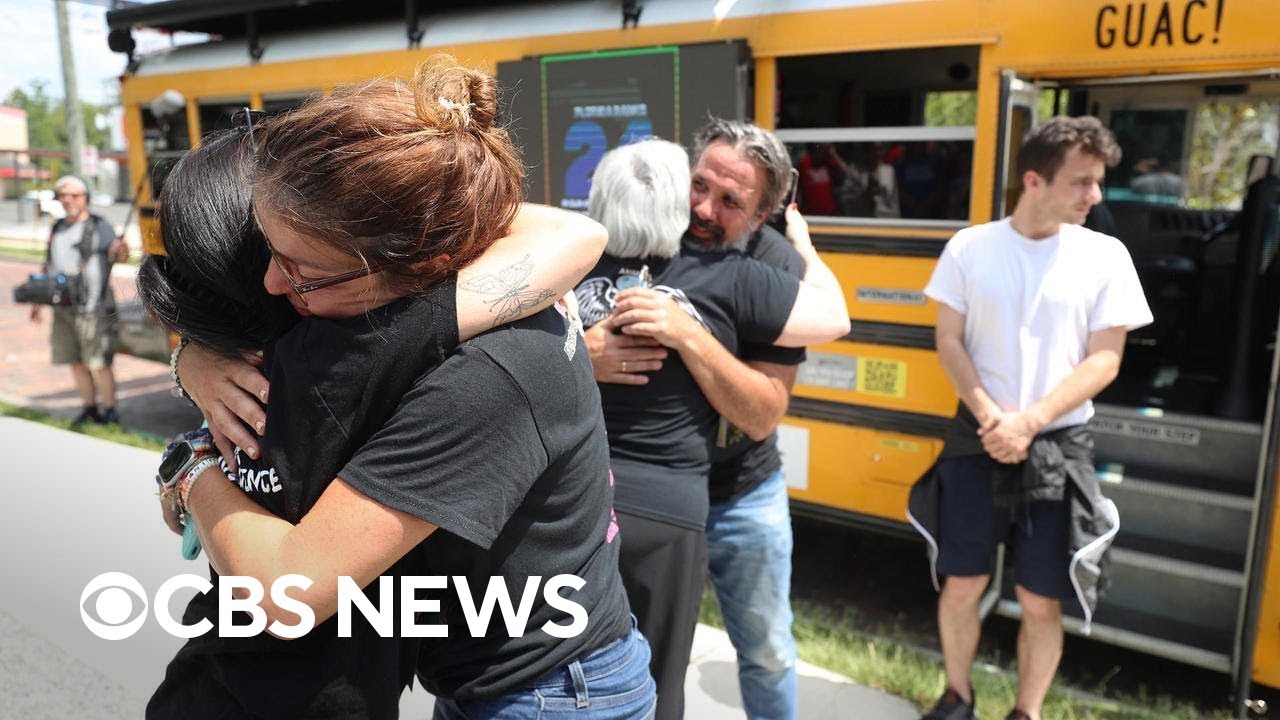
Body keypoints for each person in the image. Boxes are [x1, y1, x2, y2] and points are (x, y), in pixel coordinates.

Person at [144, 54, 653, 720]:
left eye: (302, 272)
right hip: (497, 676)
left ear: (422, 263)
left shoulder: (476, 371)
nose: (272, 284)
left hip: (550, 693)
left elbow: (286, 590)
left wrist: (191, 467)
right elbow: (566, 228)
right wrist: (194, 358)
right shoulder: (451, 275)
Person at [575, 138, 849, 719]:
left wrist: (687, 333)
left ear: (760, 216)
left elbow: (760, 416)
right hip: (622, 496)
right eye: (699, 186)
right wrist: (579, 349)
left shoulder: (766, 266)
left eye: (730, 200)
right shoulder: (628, 237)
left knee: (767, 652)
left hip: (742, 493)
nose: (703, 209)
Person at [908, 116, 1151, 720]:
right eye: (1083, 182)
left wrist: (1029, 421)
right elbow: (949, 340)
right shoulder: (970, 247)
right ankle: (958, 697)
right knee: (961, 583)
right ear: (1034, 180)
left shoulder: (1106, 255)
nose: (1096, 195)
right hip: (977, 434)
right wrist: (993, 417)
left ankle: (1027, 712)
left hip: (1058, 444)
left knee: (1041, 598)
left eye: (1097, 182)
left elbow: (1106, 357)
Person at [28, 175, 128, 425]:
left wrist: (121, 249)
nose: (67, 200)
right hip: (62, 308)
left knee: (99, 362)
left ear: (86, 198)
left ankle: (110, 411)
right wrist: (37, 302)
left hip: (94, 308)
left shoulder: (99, 226)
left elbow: (120, 257)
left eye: (74, 195)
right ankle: (89, 408)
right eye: (63, 195)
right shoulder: (57, 227)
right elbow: (48, 264)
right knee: (75, 362)